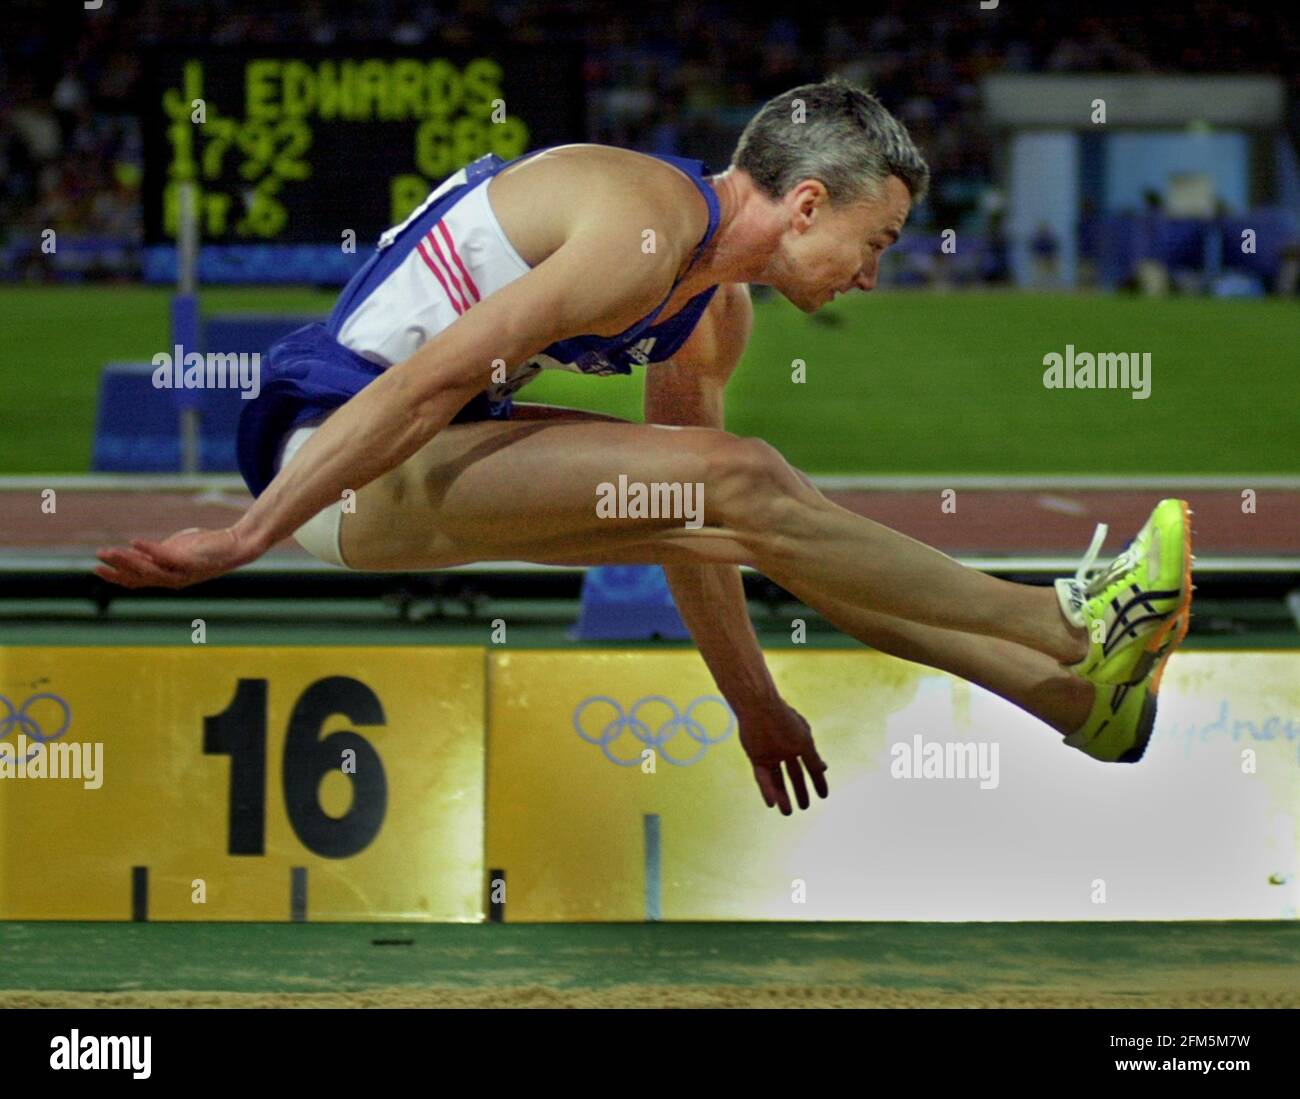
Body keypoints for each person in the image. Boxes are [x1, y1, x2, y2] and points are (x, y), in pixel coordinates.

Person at [96, 80, 1193, 812]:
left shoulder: (712, 306)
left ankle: (1073, 699)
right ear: (808, 204)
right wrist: (245, 537)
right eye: (878, 240)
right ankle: (1067, 619)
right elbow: (430, 379)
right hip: (333, 451)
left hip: (419, 457)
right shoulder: (641, 227)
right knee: (749, 479)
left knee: (761, 520)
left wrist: (751, 701)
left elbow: (689, 523)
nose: (873, 271)